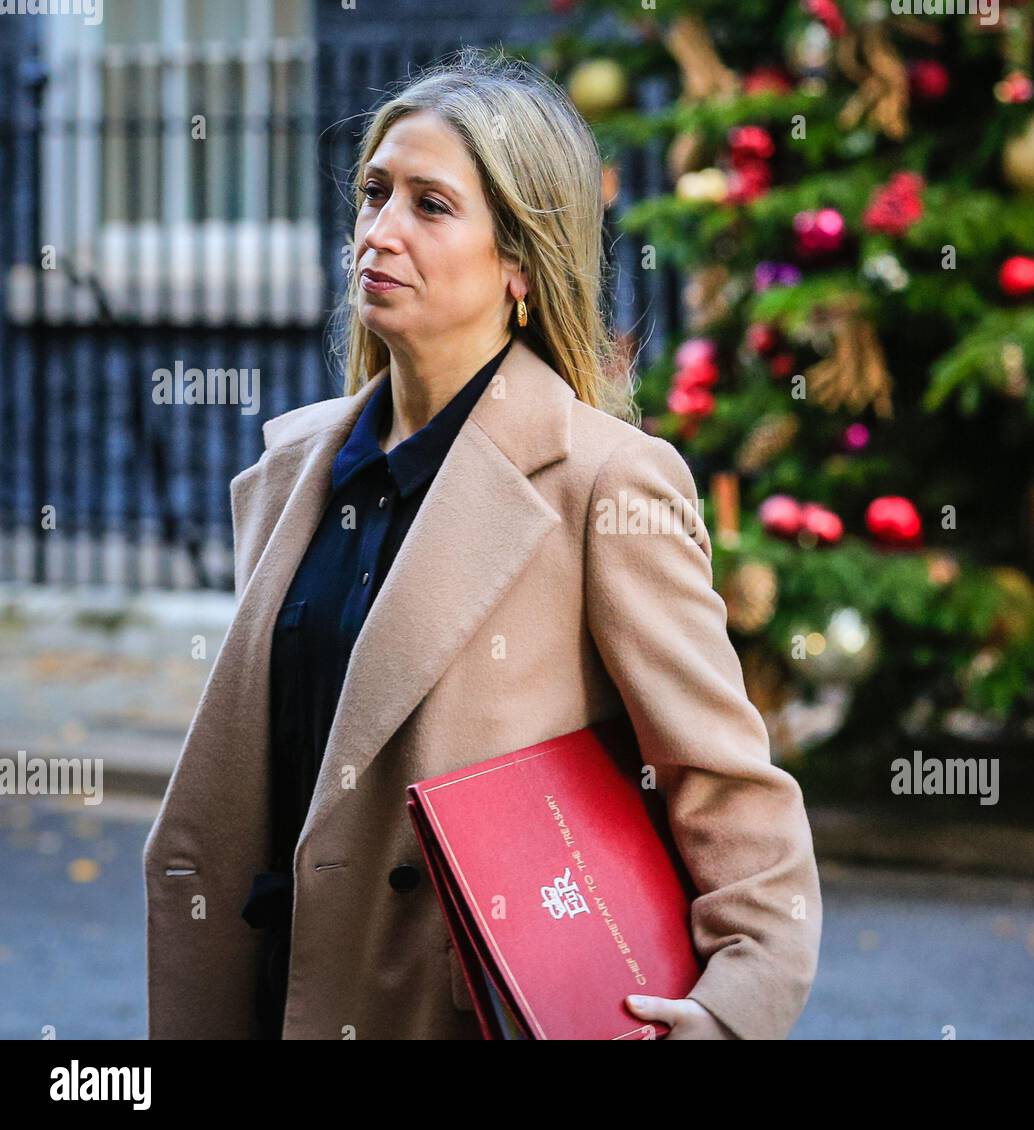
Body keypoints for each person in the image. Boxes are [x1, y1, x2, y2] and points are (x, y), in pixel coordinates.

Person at [143, 46, 822, 1041]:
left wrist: (727, 1012)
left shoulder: (603, 483)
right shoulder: (295, 467)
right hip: (268, 993)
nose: (378, 231)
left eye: (429, 205)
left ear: (518, 263)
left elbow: (727, 792)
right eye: (374, 193)